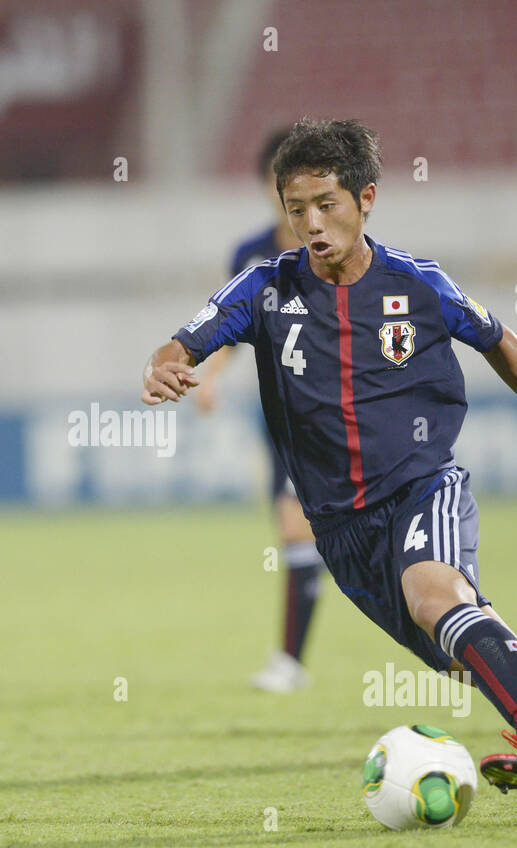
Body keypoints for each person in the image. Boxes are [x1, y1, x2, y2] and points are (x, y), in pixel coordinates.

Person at [140, 119, 517, 811]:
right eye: (296, 208)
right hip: (342, 531)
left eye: (326, 205)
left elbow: (499, 339)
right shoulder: (264, 287)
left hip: (423, 488)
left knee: (437, 598)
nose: (311, 223)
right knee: (513, 675)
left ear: (366, 199)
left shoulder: (417, 284)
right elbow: (181, 344)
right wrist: (165, 371)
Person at [197, 128, 327, 692]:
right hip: (285, 414)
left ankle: (454, 628)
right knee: (294, 523)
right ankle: (290, 663)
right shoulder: (250, 256)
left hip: (346, 409)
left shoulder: (336, 246)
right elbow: (231, 322)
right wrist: (212, 374)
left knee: (335, 533)